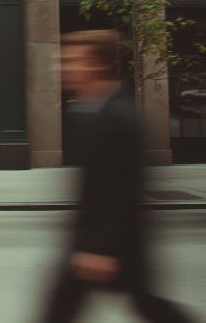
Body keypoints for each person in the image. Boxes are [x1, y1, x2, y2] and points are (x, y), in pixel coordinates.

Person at [37, 29, 193, 323]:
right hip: (97, 244)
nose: (63, 67)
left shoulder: (120, 116)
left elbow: (124, 189)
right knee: (149, 306)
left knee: (149, 307)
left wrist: (99, 247)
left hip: (107, 246)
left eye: (72, 60)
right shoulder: (88, 111)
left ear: (95, 64)